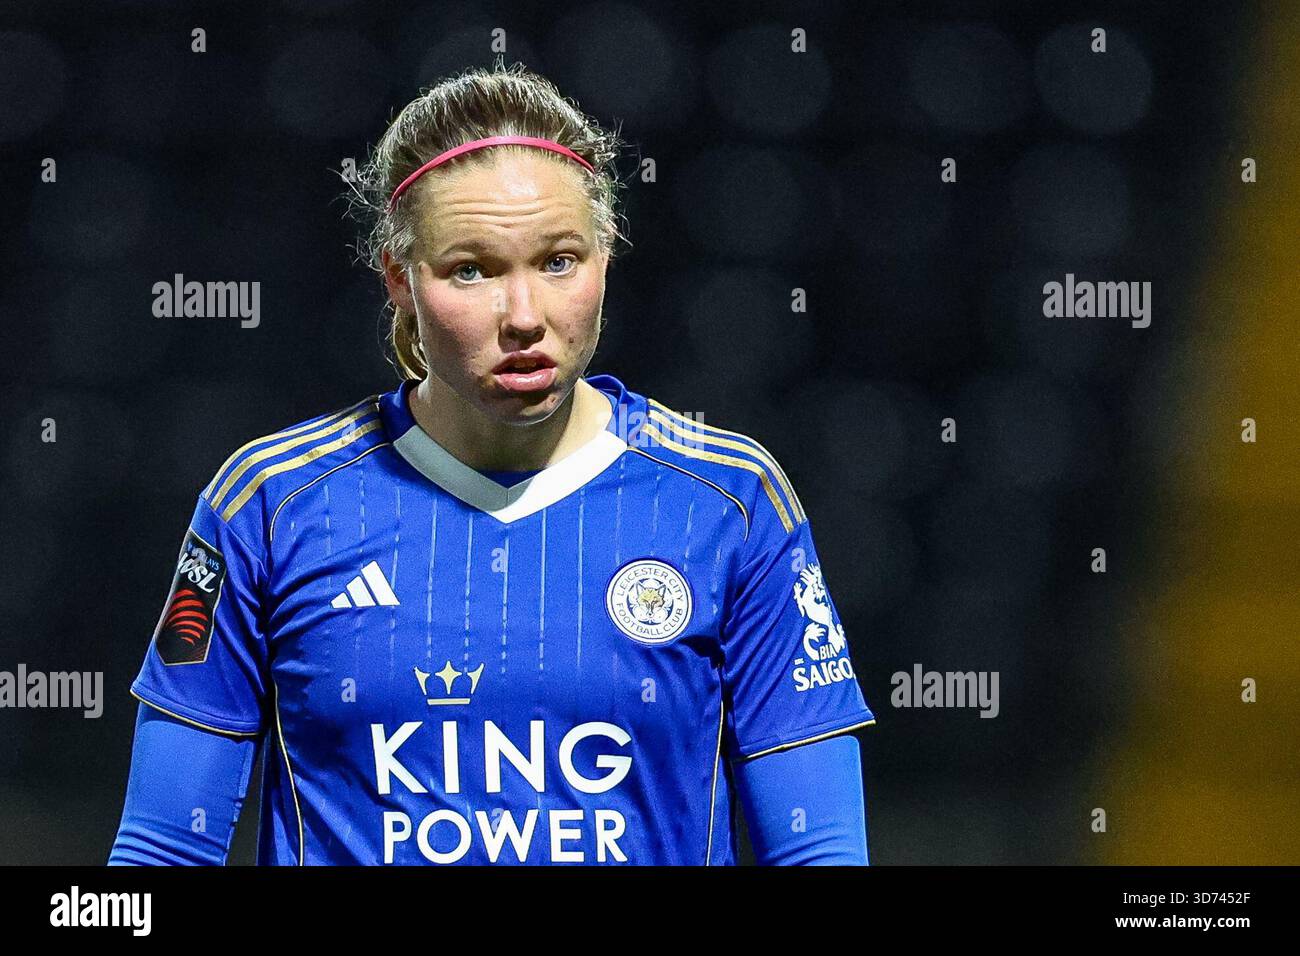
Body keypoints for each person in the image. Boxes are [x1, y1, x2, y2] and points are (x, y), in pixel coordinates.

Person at [108, 61, 876, 866]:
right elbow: (161, 853)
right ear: (400, 279)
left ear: (606, 256)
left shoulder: (732, 504)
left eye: (558, 261)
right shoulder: (265, 505)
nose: (524, 317)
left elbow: (821, 853)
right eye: (470, 270)